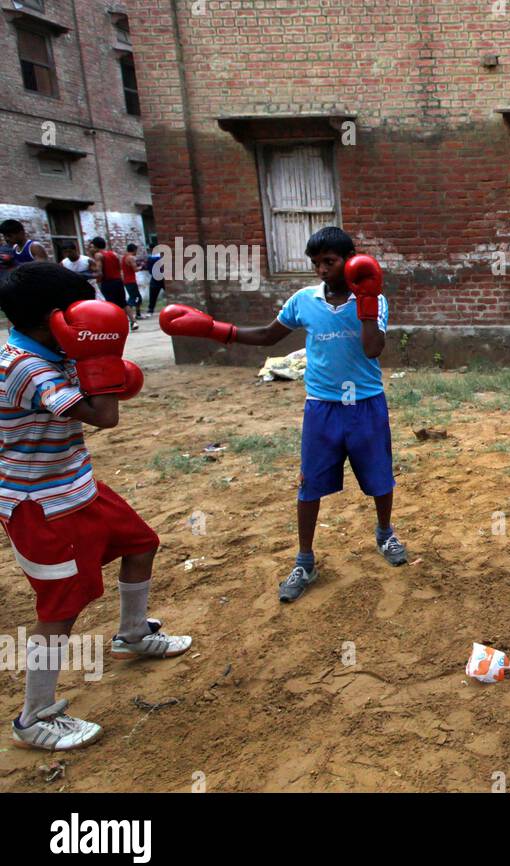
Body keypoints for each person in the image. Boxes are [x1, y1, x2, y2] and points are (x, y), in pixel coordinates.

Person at [159, 226, 408, 602]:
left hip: (366, 404)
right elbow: (267, 336)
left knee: (379, 478)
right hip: (321, 406)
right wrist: (215, 330)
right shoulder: (304, 300)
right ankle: (304, 560)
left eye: (329, 261)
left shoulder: (374, 299)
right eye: (316, 263)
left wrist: (368, 301)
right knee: (309, 485)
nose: (322, 269)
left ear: (350, 259)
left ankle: (385, 534)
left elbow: (373, 349)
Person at [0, 263, 192, 751]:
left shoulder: (48, 350)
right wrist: (102, 355)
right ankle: (34, 717)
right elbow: (105, 417)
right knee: (62, 606)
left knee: (141, 543)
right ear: (55, 319)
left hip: (76, 484)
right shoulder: (26, 366)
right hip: (41, 504)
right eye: (76, 313)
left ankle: (131, 634)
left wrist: (96, 361)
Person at [87, 237, 135, 330]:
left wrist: (91, 270)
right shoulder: (114, 254)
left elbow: (99, 271)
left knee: (111, 305)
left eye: (92, 246)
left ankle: (117, 323)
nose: (91, 248)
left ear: (96, 246)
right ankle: (133, 321)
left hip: (108, 282)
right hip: (118, 281)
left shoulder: (98, 255)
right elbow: (119, 268)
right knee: (123, 303)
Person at [122, 243, 143, 322]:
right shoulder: (131, 257)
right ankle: (125, 314)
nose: (136, 252)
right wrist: (142, 266)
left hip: (127, 281)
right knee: (135, 298)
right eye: (136, 250)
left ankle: (138, 314)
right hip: (130, 281)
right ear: (134, 250)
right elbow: (135, 269)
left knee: (136, 298)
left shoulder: (124, 257)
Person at [144, 239, 164, 318]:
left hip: (155, 278)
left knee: (153, 295)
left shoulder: (150, 258)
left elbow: (149, 269)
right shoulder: (161, 256)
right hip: (163, 277)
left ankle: (150, 310)